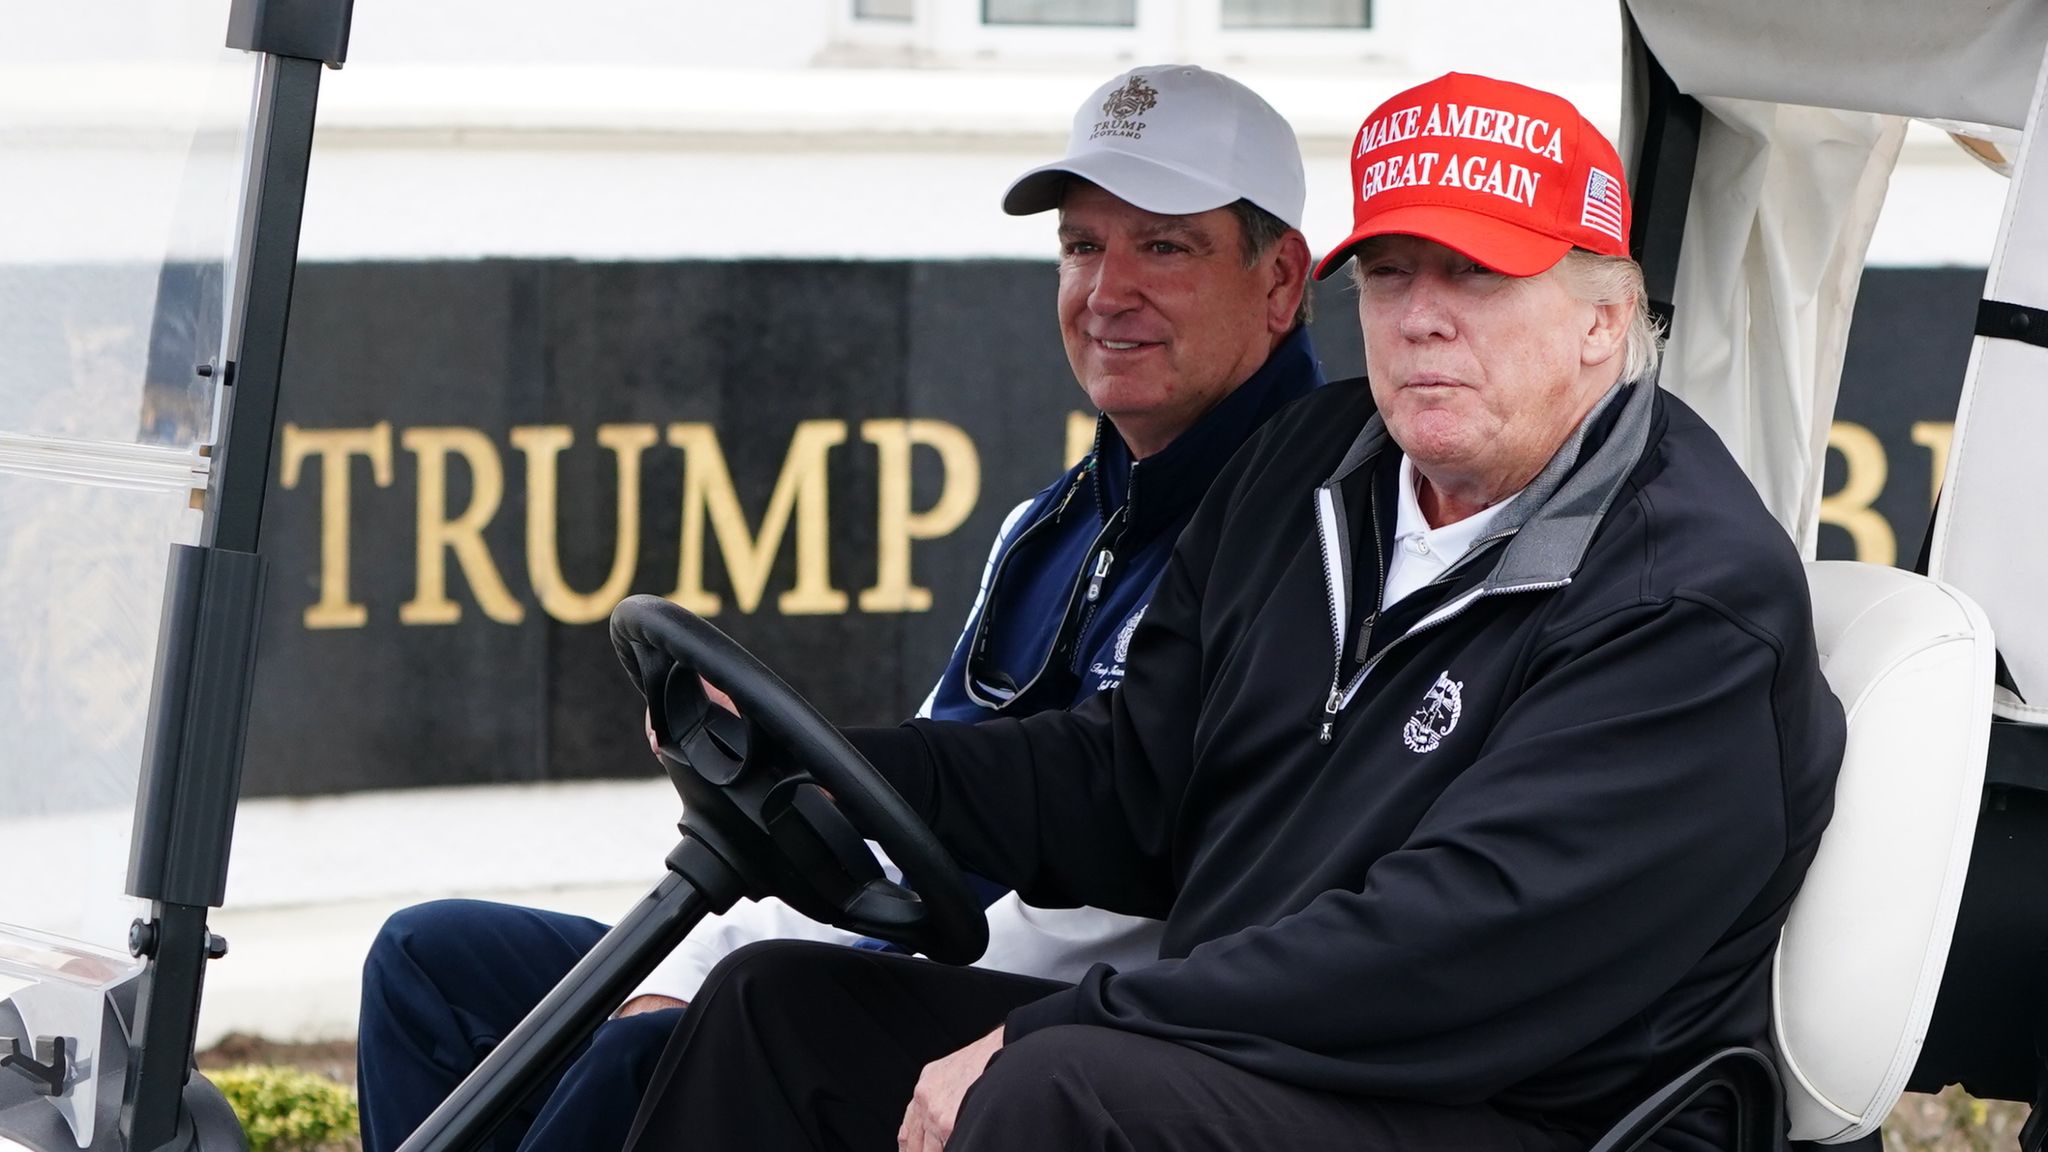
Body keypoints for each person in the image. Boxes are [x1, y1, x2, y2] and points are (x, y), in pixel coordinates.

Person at [626, 72, 1846, 1152]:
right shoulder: (1316, 470)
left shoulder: (1678, 592)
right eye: (1388, 274)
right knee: (779, 1011)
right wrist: (852, 768)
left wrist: (1076, 1022)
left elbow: (1454, 947)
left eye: (1475, 275)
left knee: (1059, 1089)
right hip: (1276, 1053)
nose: (1421, 316)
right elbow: (1132, 783)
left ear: (1600, 317)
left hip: (1521, 1102)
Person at [354, 64, 1324, 1152]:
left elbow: (1109, 884)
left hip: (1070, 1031)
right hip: (907, 964)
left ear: (1280, 279)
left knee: (688, 1035)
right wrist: (688, 956)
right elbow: (914, 795)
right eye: (1080, 246)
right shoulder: (1050, 527)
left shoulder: (1303, 533)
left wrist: (749, 968)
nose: (1105, 292)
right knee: (429, 962)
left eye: (1162, 245)